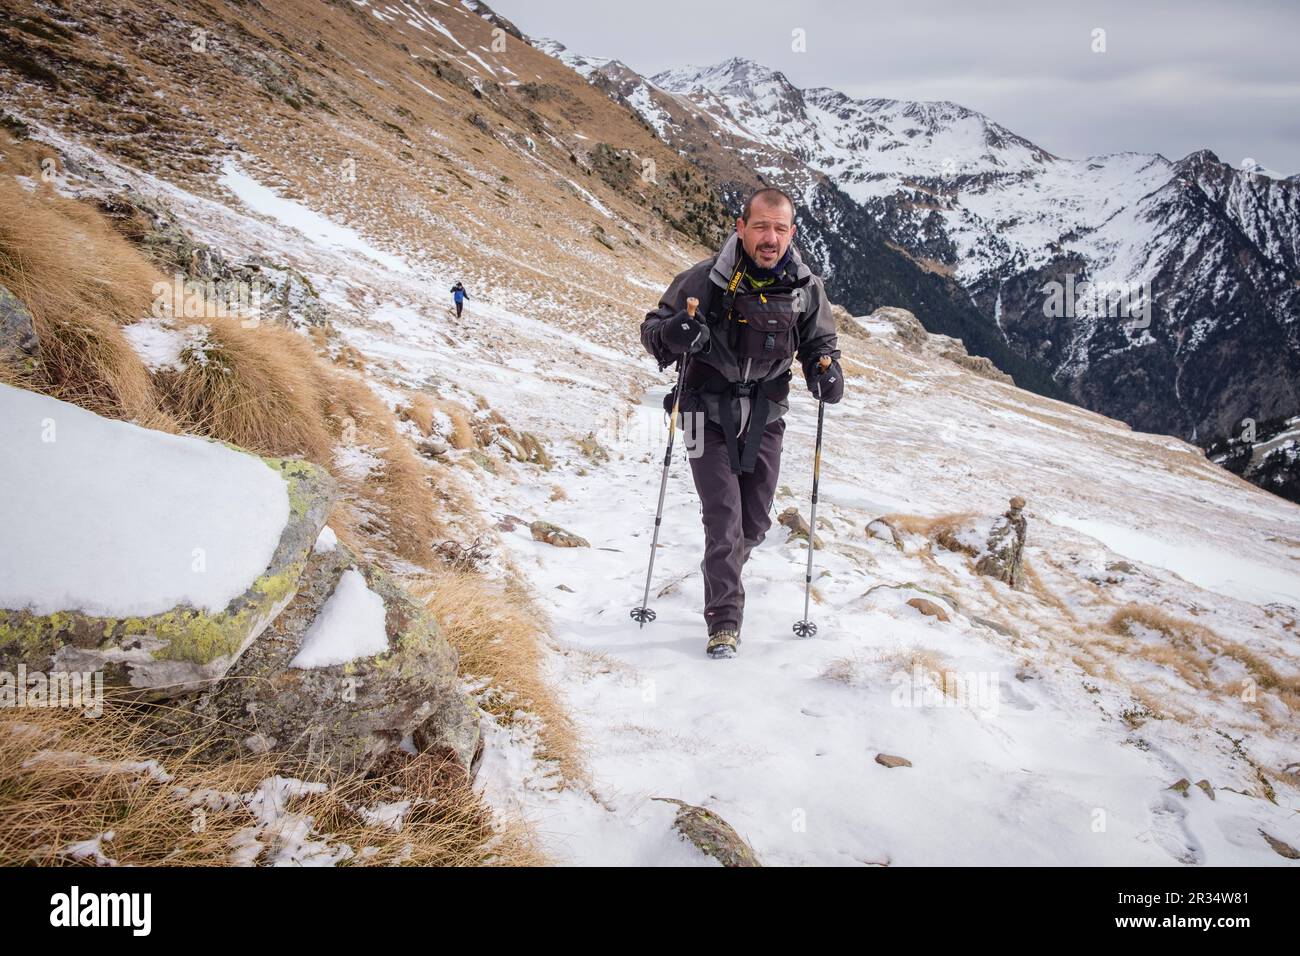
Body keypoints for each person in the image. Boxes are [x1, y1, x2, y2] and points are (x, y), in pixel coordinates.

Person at [640, 187, 844, 658]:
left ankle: (723, 567)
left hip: (767, 416)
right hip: (696, 412)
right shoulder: (703, 279)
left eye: (779, 228)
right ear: (741, 228)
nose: (770, 238)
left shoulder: (805, 288)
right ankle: (724, 623)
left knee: (753, 523)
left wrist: (826, 373)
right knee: (724, 519)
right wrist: (674, 332)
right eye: (760, 227)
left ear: (791, 232)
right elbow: (653, 331)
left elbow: (822, 346)